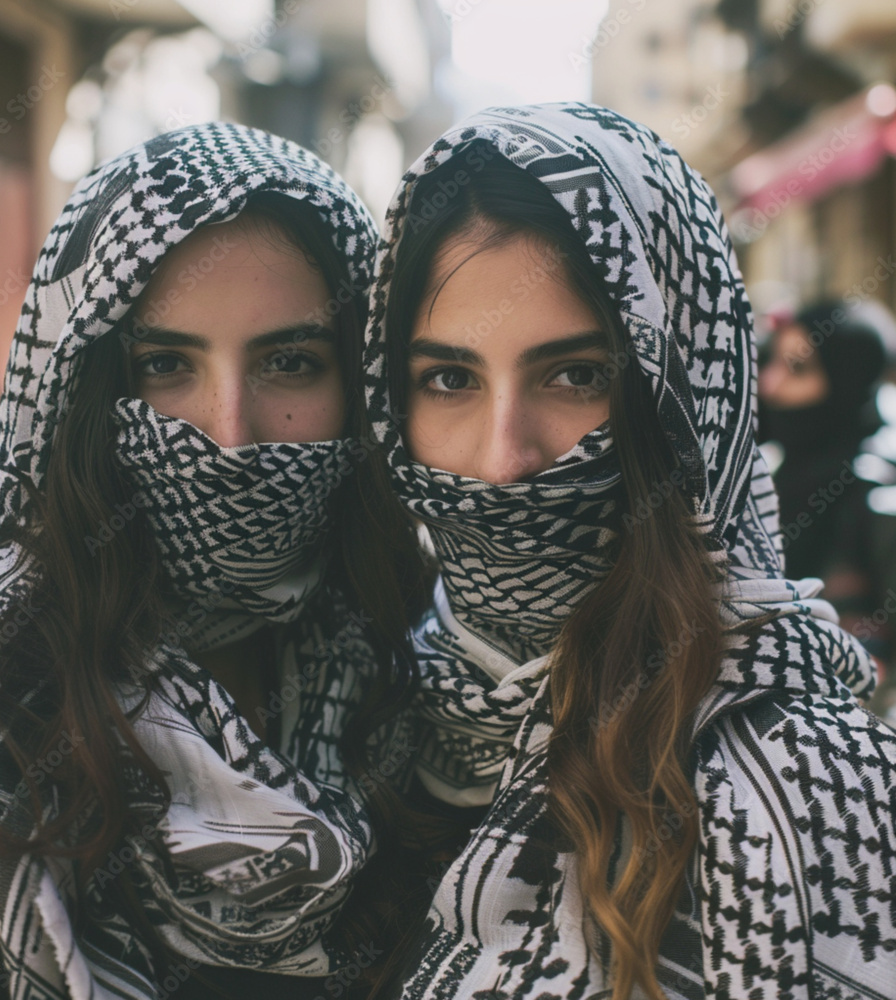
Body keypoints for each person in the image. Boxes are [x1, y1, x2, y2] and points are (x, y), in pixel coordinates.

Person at [362, 105, 896, 1000]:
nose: (504, 459)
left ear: (685, 397)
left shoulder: (823, 792)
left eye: (578, 375)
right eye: (449, 379)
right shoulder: (354, 715)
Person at [0, 122, 428, 1000]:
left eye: (290, 362)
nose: (228, 433)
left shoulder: (432, 693)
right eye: (166, 364)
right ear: (88, 394)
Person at [758, 300, 888, 655]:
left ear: (845, 382)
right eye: (771, 360)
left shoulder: (870, 497)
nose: (769, 384)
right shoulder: (774, 469)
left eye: (797, 368)